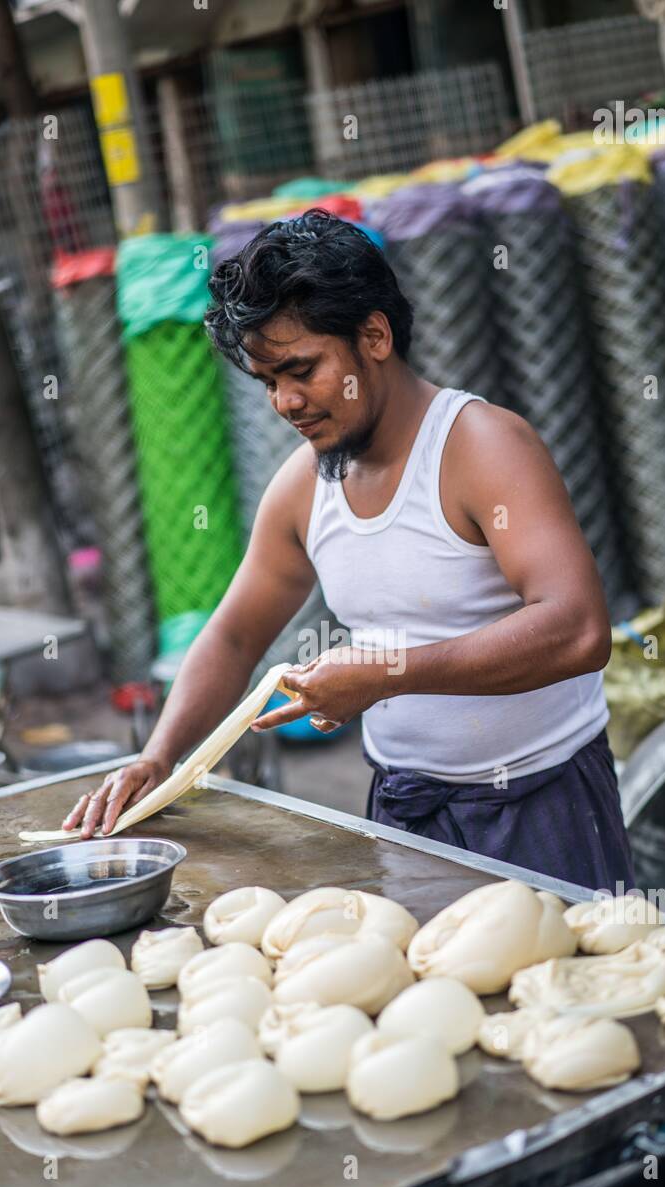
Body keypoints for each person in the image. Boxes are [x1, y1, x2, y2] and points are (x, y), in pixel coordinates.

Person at [64, 210, 633, 891]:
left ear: (374, 335)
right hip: (404, 807)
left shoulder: (483, 448)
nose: (285, 402)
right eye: (268, 381)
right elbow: (235, 636)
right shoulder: (303, 487)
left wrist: (387, 673)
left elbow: (577, 629)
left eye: (301, 369)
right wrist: (157, 758)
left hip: (541, 802)